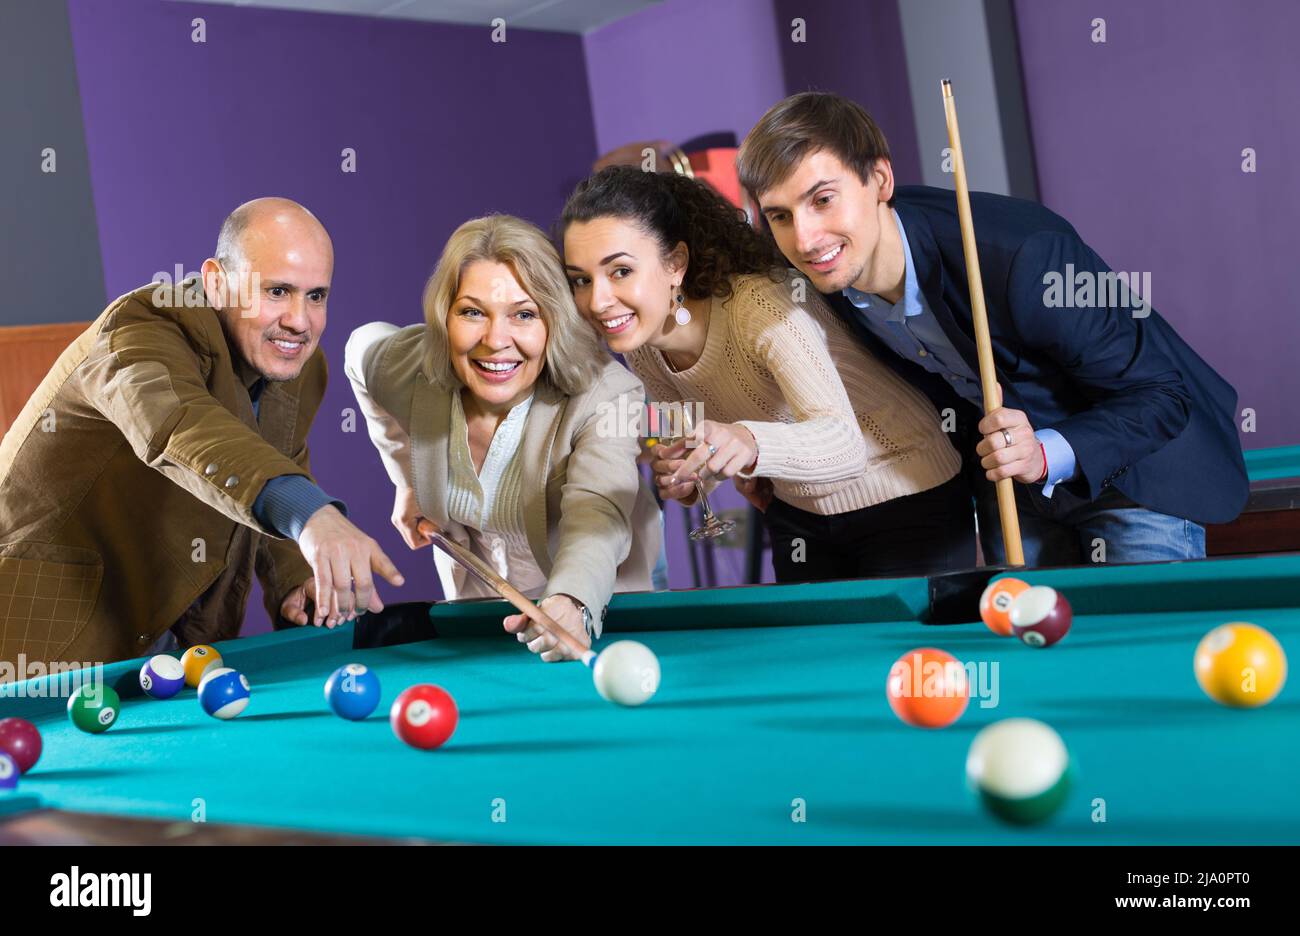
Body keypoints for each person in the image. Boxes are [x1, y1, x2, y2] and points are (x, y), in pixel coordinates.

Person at [737, 92, 1248, 565]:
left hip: (1133, 474)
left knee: (1142, 654)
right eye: (780, 215)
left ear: (881, 181)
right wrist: (765, 452)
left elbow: (1161, 393)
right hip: (1007, 484)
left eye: (823, 199)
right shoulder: (815, 276)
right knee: (1025, 652)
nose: (804, 238)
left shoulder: (1024, 256)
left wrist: (1045, 452)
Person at [0, 198, 402, 674]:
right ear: (215, 282)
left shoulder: (299, 366)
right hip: (36, 644)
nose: (300, 320)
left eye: (316, 296)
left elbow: (270, 469)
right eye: (276, 291)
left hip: (169, 656)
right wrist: (310, 512)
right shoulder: (143, 325)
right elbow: (181, 425)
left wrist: (296, 580)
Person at [560, 166, 973, 583]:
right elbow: (696, 438)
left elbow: (843, 445)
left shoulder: (762, 308)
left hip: (907, 497)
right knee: (805, 650)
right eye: (581, 279)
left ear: (675, 264)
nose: (597, 301)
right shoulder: (644, 345)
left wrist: (748, 441)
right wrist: (695, 472)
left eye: (620, 272)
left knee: (900, 651)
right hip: (799, 514)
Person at [345, 214, 661, 661]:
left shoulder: (606, 395)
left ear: (553, 321)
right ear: (444, 315)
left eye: (524, 314)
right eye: (472, 312)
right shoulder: (411, 369)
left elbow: (598, 513)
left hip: (594, 604)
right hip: (479, 611)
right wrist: (407, 478)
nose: (496, 340)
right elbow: (360, 351)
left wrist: (572, 601)